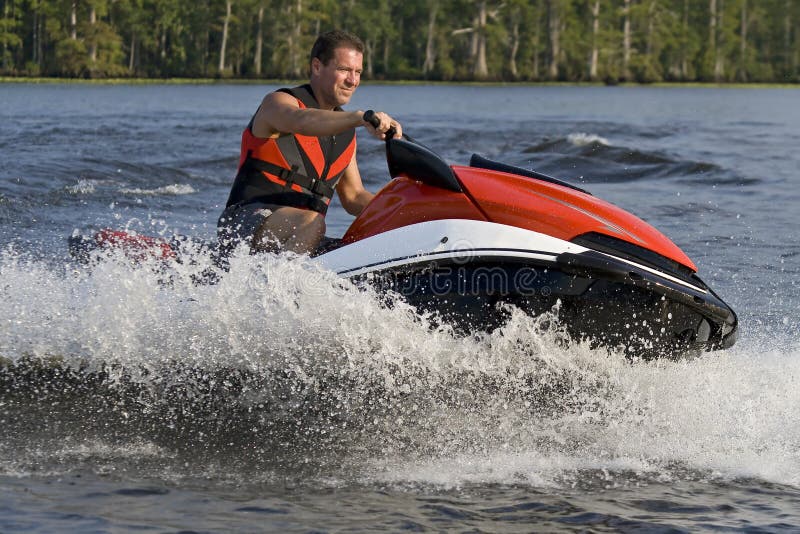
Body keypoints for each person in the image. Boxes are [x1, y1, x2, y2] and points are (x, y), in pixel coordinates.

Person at [218, 29, 402, 255]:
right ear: (317, 66)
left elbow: (354, 197)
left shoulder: (345, 133)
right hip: (245, 223)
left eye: (358, 72)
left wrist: (402, 210)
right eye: (344, 69)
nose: (352, 80)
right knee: (313, 222)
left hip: (301, 233)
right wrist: (359, 117)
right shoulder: (277, 103)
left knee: (357, 249)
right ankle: (285, 289)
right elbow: (301, 120)